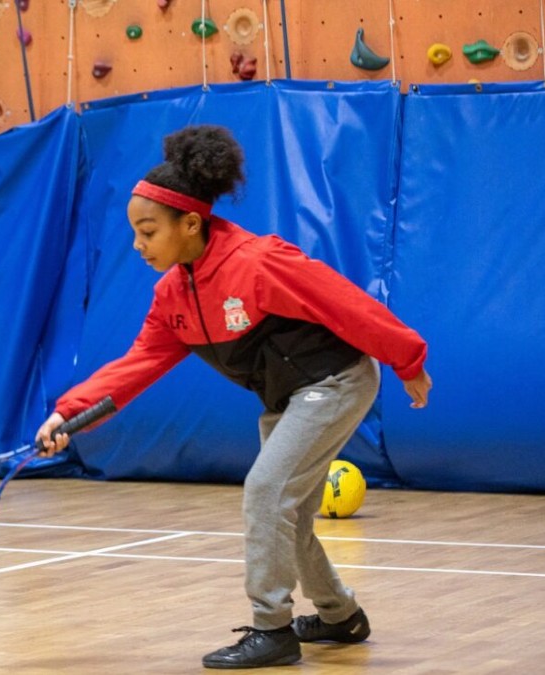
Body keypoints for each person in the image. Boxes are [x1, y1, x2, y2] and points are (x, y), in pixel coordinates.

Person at [35, 125, 432, 669]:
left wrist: (407, 359)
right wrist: (68, 413)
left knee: (266, 492)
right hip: (287, 398)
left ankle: (272, 629)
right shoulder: (172, 295)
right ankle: (340, 617)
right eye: (135, 232)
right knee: (285, 516)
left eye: (148, 231)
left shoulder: (258, 261)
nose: (138, 244)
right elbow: (137, 364)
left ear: (190, 223)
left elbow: (347, 305)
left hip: (335, 381)